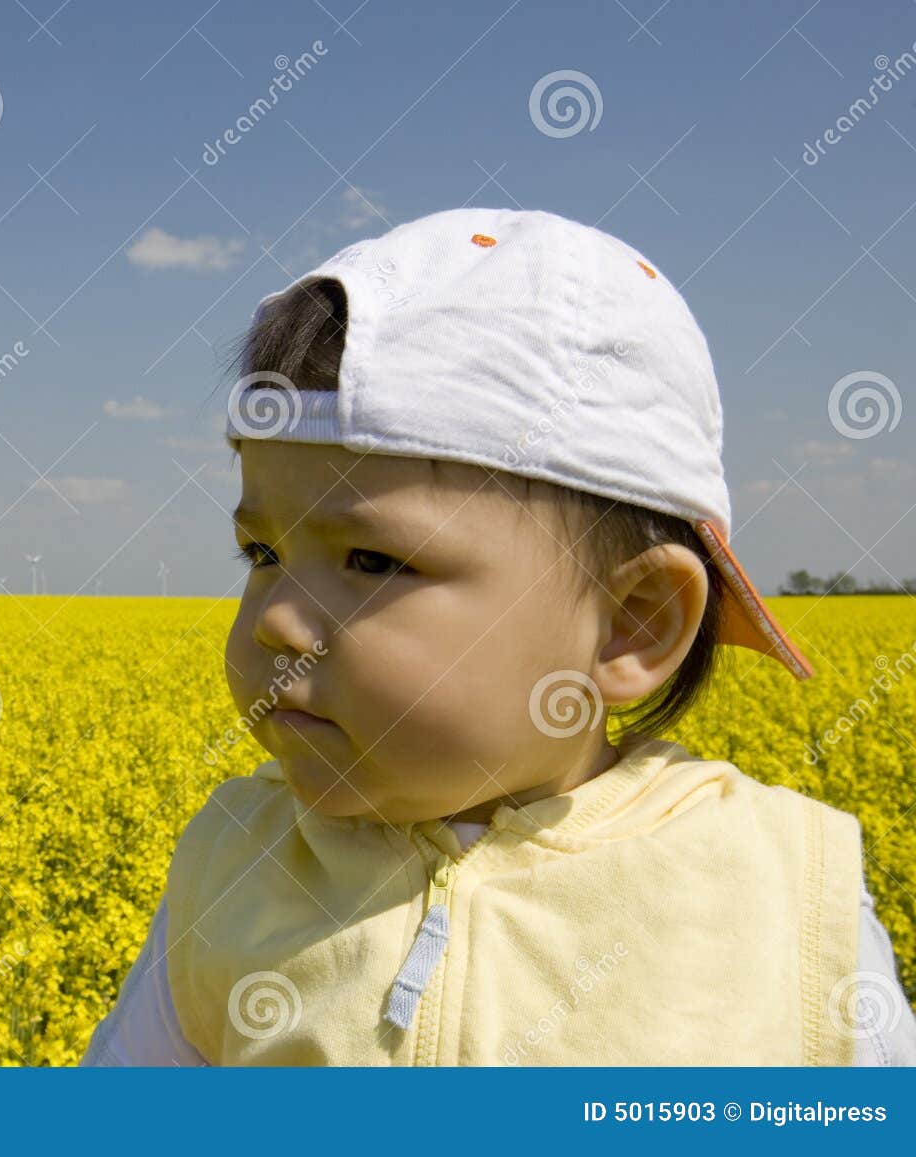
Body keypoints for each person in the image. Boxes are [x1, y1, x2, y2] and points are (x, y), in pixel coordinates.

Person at [80, 207, 916, 1066]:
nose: (277, 620)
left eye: (372, 559)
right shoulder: (233, 874)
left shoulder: (787, 895)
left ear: (631, 624)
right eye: (262, 551)